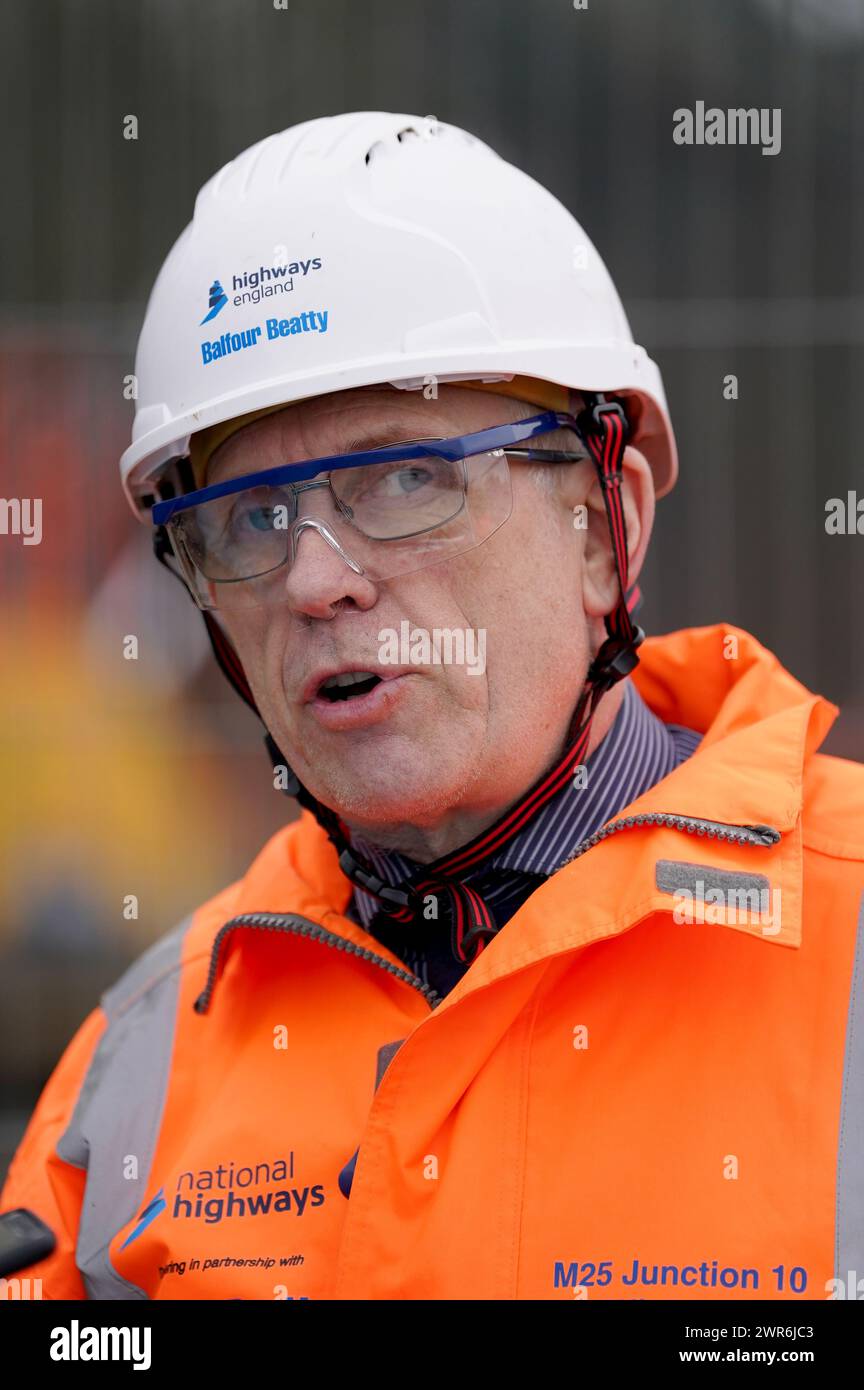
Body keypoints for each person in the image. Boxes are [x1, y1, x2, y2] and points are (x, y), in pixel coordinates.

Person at [3, 112, 862, 1302]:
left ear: (606, 532)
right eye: (252, 517)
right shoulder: (139, 1066)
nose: (314, 579)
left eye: (406, 476)